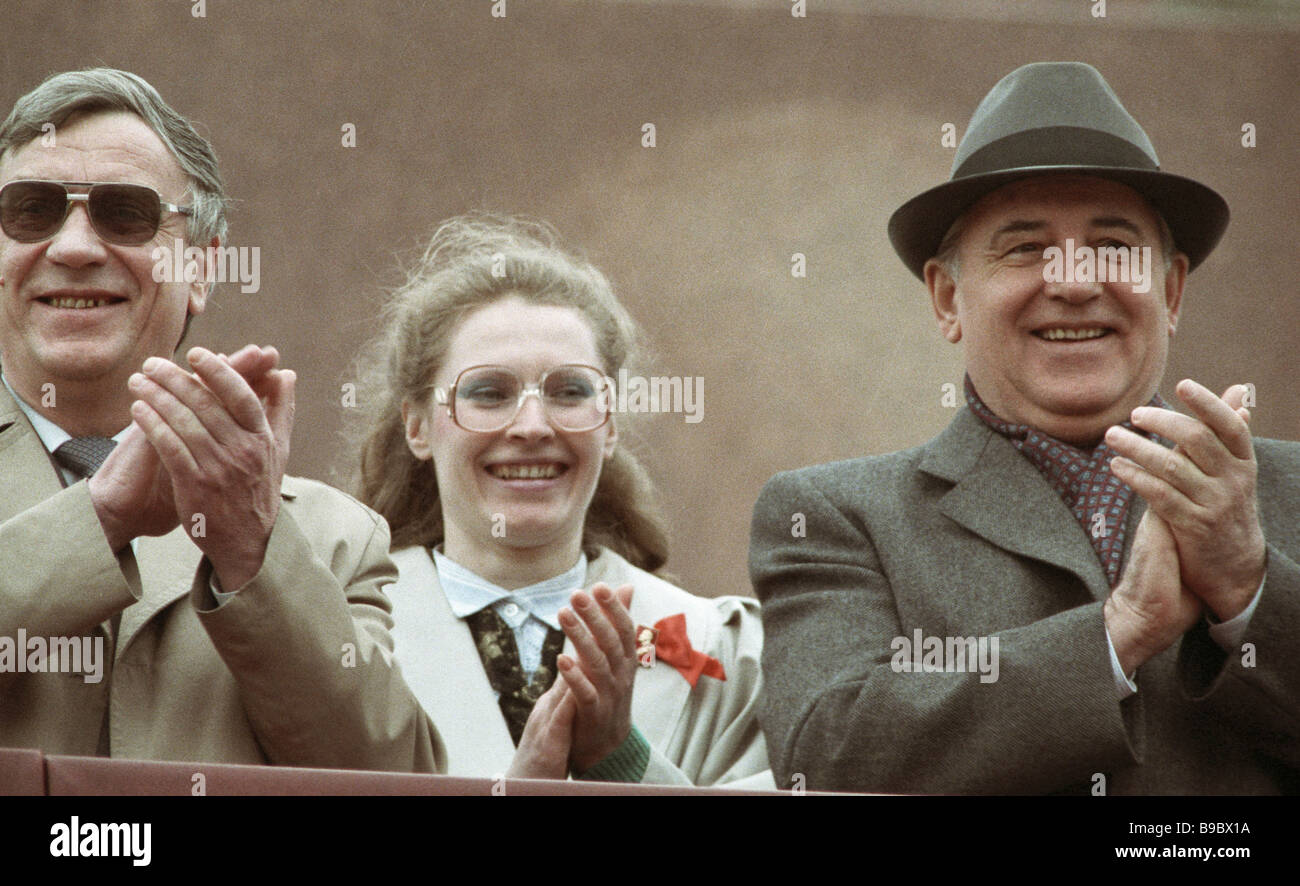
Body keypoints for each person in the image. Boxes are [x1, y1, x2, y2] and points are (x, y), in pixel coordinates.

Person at [749, 62, 1299, 794]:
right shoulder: (838, 518)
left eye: (1112, 245)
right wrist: (1118, 633)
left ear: (1170, 291)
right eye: (1026, 247)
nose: (1073, 281)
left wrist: (1248, 589)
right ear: (947, 299)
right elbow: (826, 757)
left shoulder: (1287, 490)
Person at [0, 68, 442, 772]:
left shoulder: (329, 539)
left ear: (201, 270)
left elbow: (393, 783)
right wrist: (101, 520)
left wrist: (252, 555)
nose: (74, 248)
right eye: (30, 211)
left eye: (126, 214)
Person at [354, 215, 771, 787]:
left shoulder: (724, 652)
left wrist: (623, 762)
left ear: (611, 423)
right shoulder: (343, 639)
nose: (532, 425)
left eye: (569, 391)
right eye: (489, 392)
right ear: (418, 426)